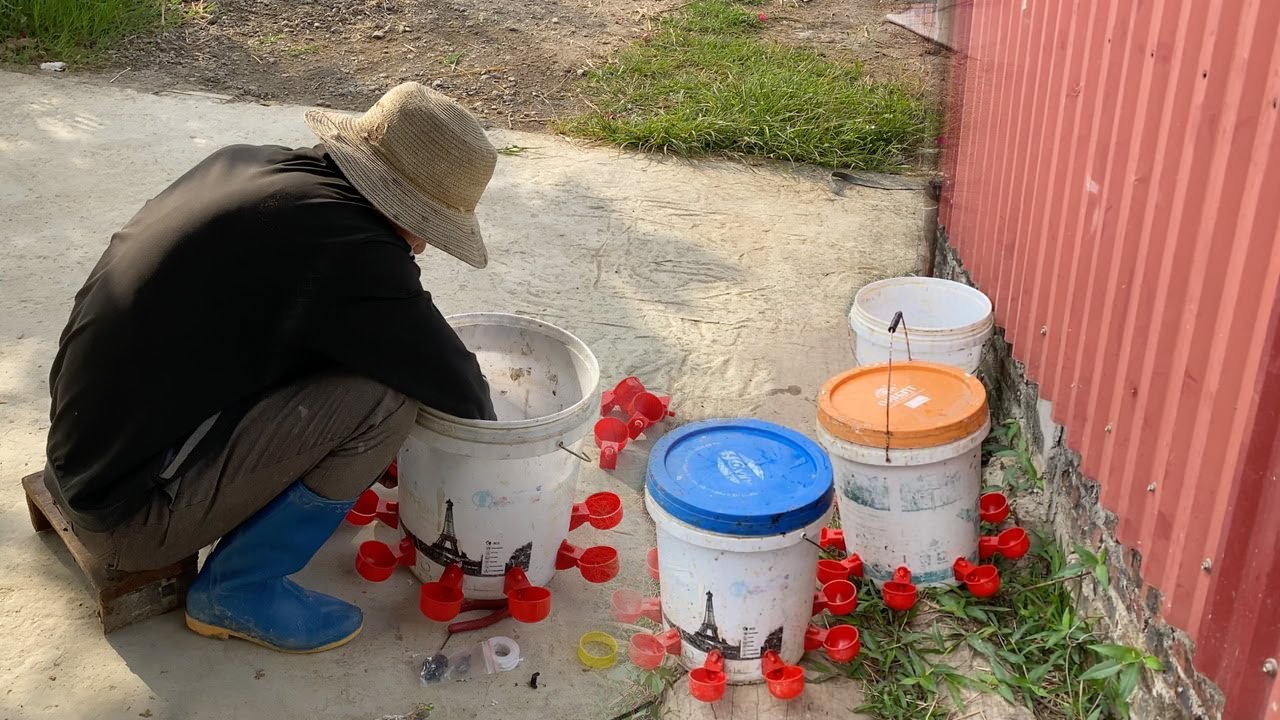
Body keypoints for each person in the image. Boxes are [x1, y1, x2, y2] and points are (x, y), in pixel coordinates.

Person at [43, 83, 499, 653]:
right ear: (400, 202)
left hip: (80, 455)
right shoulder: (352, 252)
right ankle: (237, 588)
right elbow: (460, 389)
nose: (424, 248)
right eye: (427, 226)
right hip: (128, 519)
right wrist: (500, 459)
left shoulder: (248, 164)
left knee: (358, 358)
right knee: (385, 401)